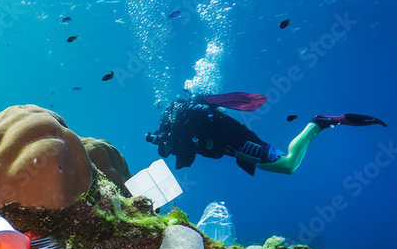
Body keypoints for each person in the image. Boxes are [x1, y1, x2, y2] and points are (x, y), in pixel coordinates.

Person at [145, 92, 387, 175]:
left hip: (237, 142)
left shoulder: (177, 129)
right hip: (235, 139)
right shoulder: (184, 118)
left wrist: (168, 146)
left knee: (288, 165)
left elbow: (184, 160)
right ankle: (319, 124)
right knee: (284, 165)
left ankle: (318, 124)